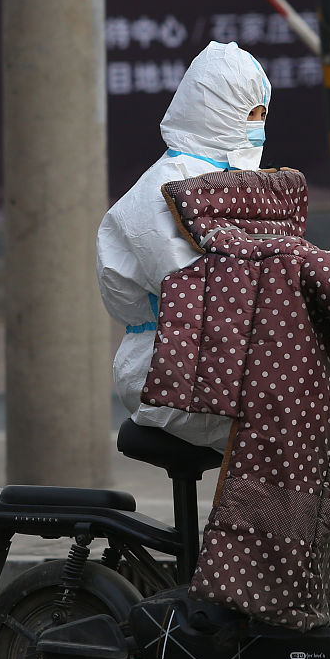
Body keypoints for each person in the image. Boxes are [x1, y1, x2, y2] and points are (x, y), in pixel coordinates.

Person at [96, 41, 271, 452]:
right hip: (167, 368)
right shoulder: (167, 189)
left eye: (262, 114)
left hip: (220, 355)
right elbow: (204, 288)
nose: (257, 127)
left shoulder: (230, 179)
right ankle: (252, 519)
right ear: (214, 111)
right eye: (249, 115)